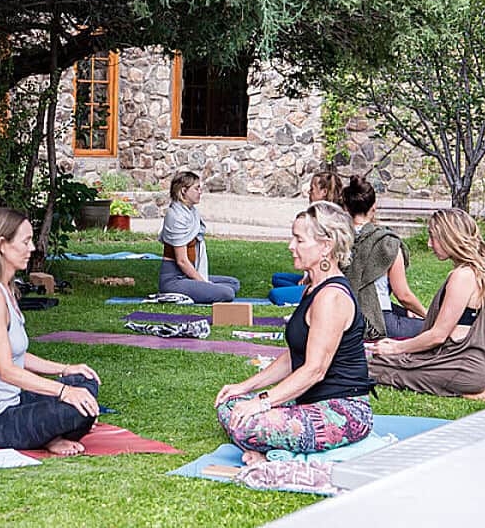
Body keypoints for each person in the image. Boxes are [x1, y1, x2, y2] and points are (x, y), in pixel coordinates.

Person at [215, 201, 373, 464]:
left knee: (245, 422)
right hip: (307, 402)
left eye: (299, 240)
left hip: (343, 411)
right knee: (229, 405)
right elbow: (293, 357)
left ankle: (279, 454)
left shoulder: (332, 297)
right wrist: (244, 388)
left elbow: (315, 369)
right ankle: (280, 449)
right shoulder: (311, 288)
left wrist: (262, 402)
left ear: (326, 246)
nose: (291, 246)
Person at [0, 208, 102, 455]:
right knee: (75, 407)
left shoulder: (7, 290)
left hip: (14, 402)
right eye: (25, 241)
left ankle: (47, 434)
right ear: (2, 245)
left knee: (84, 382)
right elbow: (6, 370)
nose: (32, 248)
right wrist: (63, 391)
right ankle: (49, 436)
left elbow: (17, 356)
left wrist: (65, 370)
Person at [369, 208, 485, 400]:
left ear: (450, 238)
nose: (429, 244)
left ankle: (462, 389)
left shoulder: (462, 276)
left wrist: (396, 348)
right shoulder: (476, 272)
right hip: (469, 368)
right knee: (385, 360)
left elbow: (437, 336)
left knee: (373, 368)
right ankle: (463, 387)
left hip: (459, 369)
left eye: (433, 237)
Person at [342, 175, 426, 340]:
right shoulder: (387, 243)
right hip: (377, 319)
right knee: (435, 329)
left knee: (407, 313)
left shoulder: (337, 239)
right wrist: (428, 316)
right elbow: (403, 295)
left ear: (346, 208)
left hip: (342, 314)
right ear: (374, 207)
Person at [157, 171, 240, 303]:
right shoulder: (176, 216)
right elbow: (182, 261)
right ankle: (194, 289)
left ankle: (202, 288)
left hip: (189, 273)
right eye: (197, 188)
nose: (200, 192)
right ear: (183, 190)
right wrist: (204, 283)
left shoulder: (190, 212)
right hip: (174, 280)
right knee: (227, 293)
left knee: (234, 283)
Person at [269, 171, 345, 304]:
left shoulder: (329, 222)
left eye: (312, 190)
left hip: (322, 279)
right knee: (278, 278)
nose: (309, 194)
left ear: (324, 192)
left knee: (275, 294)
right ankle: (301, 289)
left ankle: (303, 291)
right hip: (315, 277)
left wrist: (310, 279)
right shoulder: (314, 216)